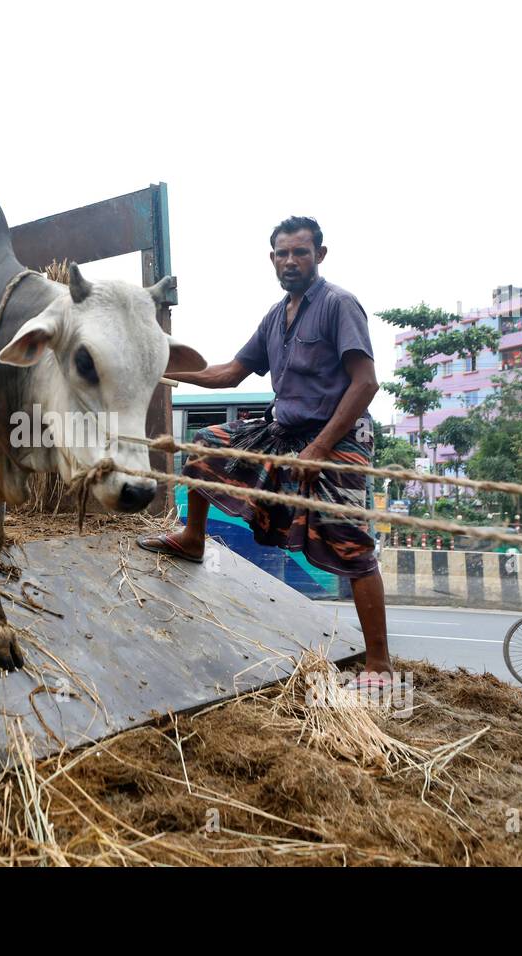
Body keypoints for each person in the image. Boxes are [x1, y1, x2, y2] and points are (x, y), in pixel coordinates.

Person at [137, 216, 390, 677]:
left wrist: (319, 448)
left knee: (352, 547)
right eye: (283, 254)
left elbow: (366, 382)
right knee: (206, 443)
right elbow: (228, 373)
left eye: (301, 252)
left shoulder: (339, 304)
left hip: (339, 437)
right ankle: (192, 539)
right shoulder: (276, 316)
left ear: (320, 255)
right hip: (283, 433)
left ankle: (379, 663)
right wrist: (160, 373)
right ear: (272, 258)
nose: (291, 261)